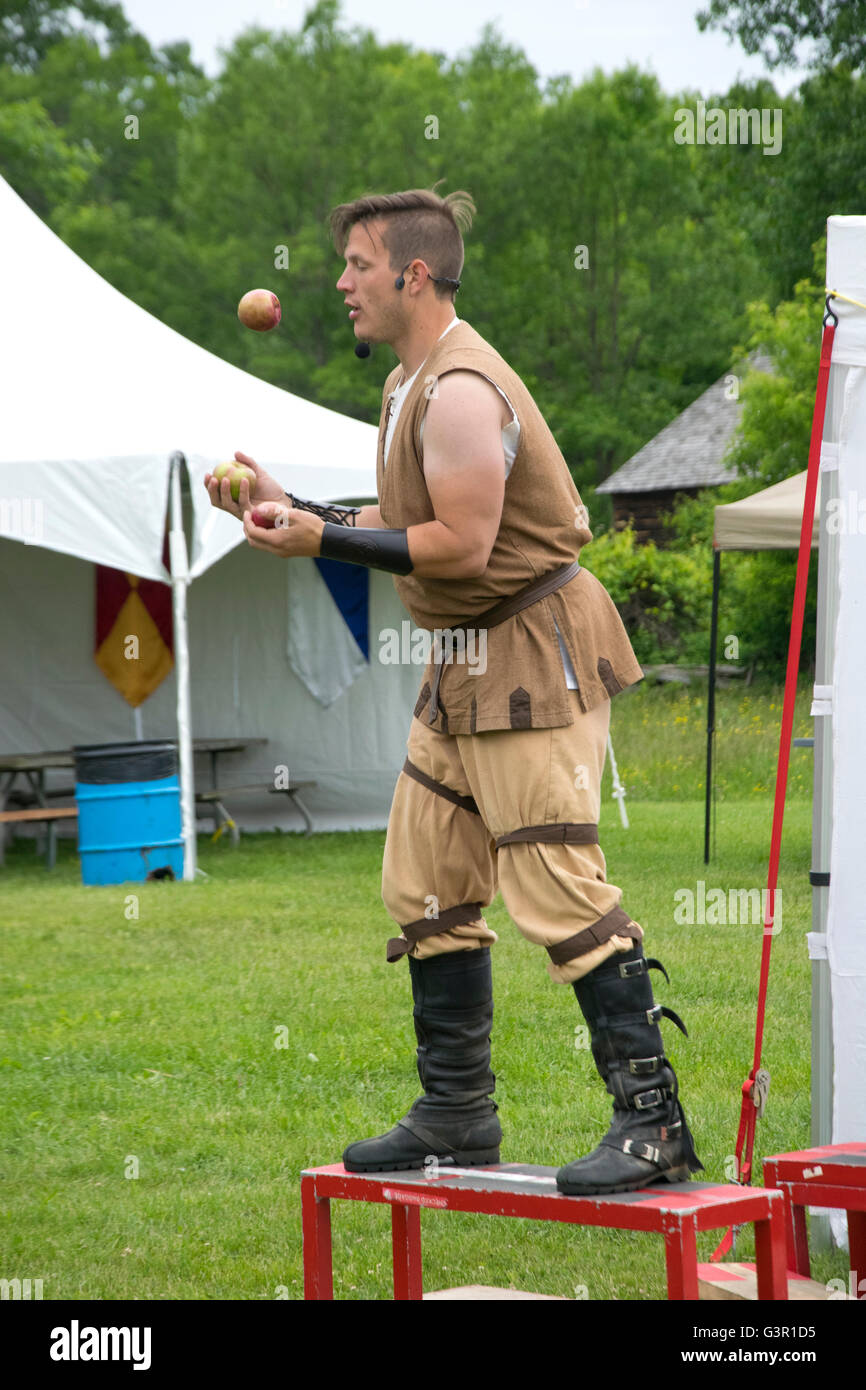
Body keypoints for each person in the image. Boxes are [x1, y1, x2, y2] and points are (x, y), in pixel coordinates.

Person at [205, 183, 702, 1195]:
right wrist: (286, 506)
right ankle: (456, 1114)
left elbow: (462, 545)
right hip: (462, 660)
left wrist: (319, 538)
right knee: (424, 881)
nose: (339, 284)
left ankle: (652, 1123)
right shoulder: (404, 386)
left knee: (556, 883)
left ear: (413, 274)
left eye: (356, 265)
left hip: (528, 647)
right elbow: (399, 521)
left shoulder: (463, 387)